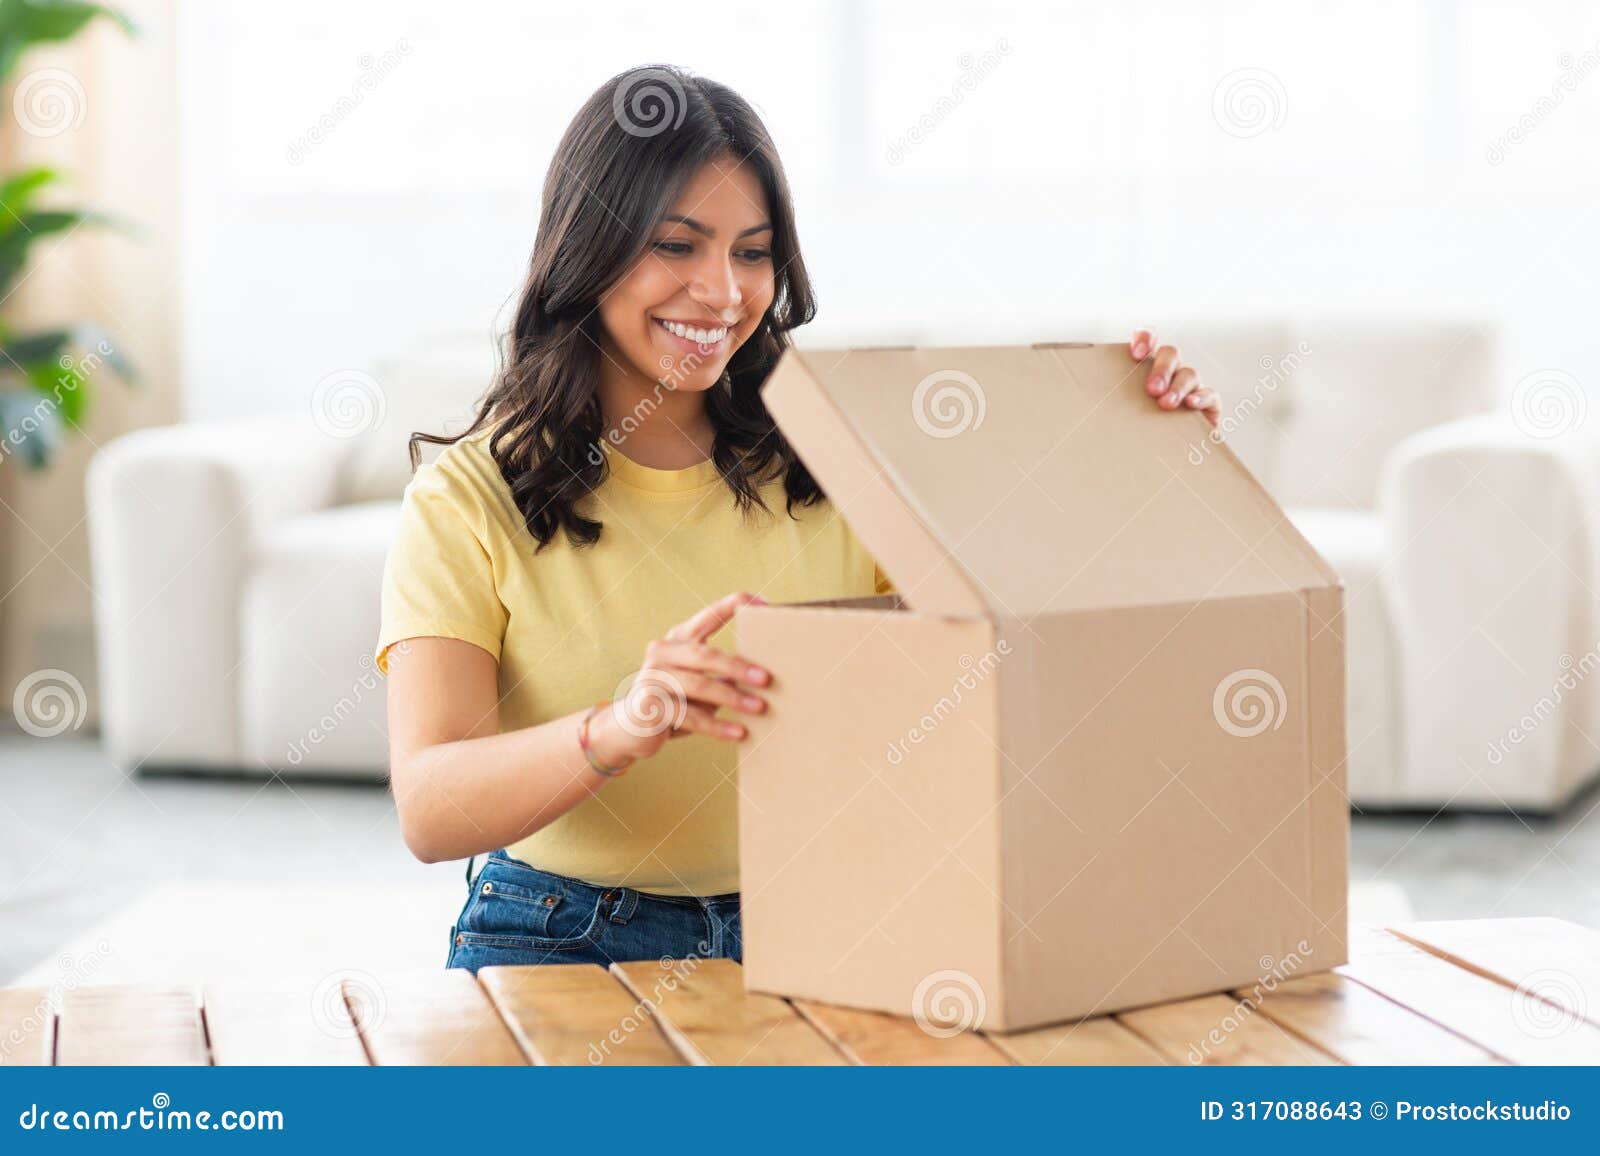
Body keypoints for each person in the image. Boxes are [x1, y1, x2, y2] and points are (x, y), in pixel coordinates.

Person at [375, 65, 1221, 972]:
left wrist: (1148, 463)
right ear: (588, 249)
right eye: (678, 244)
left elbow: (1014, 637)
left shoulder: (839, 461)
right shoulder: (467, 500)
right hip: (560, 929)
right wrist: (620, 726)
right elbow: (431, 808)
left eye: (751, 252)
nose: (724, 292)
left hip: (827, 916)